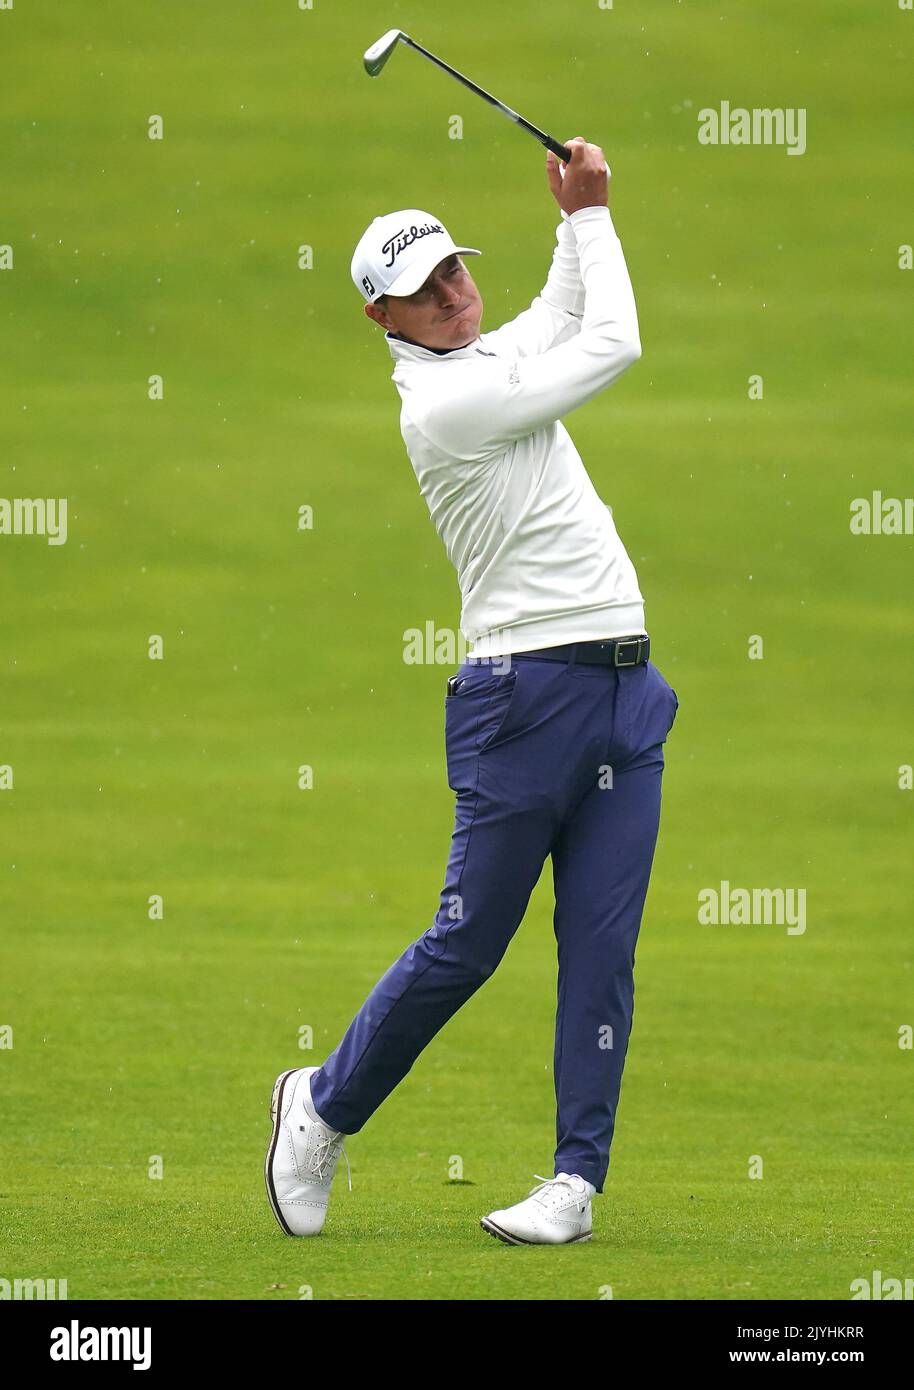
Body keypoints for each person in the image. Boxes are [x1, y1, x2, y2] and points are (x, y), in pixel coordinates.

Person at [265, 138, 679, 1245]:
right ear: (381, 320)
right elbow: (611, 338)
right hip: (522, 698)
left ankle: (571, 1184)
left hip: (623, 697)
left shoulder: (481, 360)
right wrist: (594, 214)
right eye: (424, 292)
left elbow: (549, 315)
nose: (453, 296)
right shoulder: (441, 407)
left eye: (454, 272)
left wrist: (564, 222)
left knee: (601, 950)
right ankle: (317, 1106)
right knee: (467, 942)